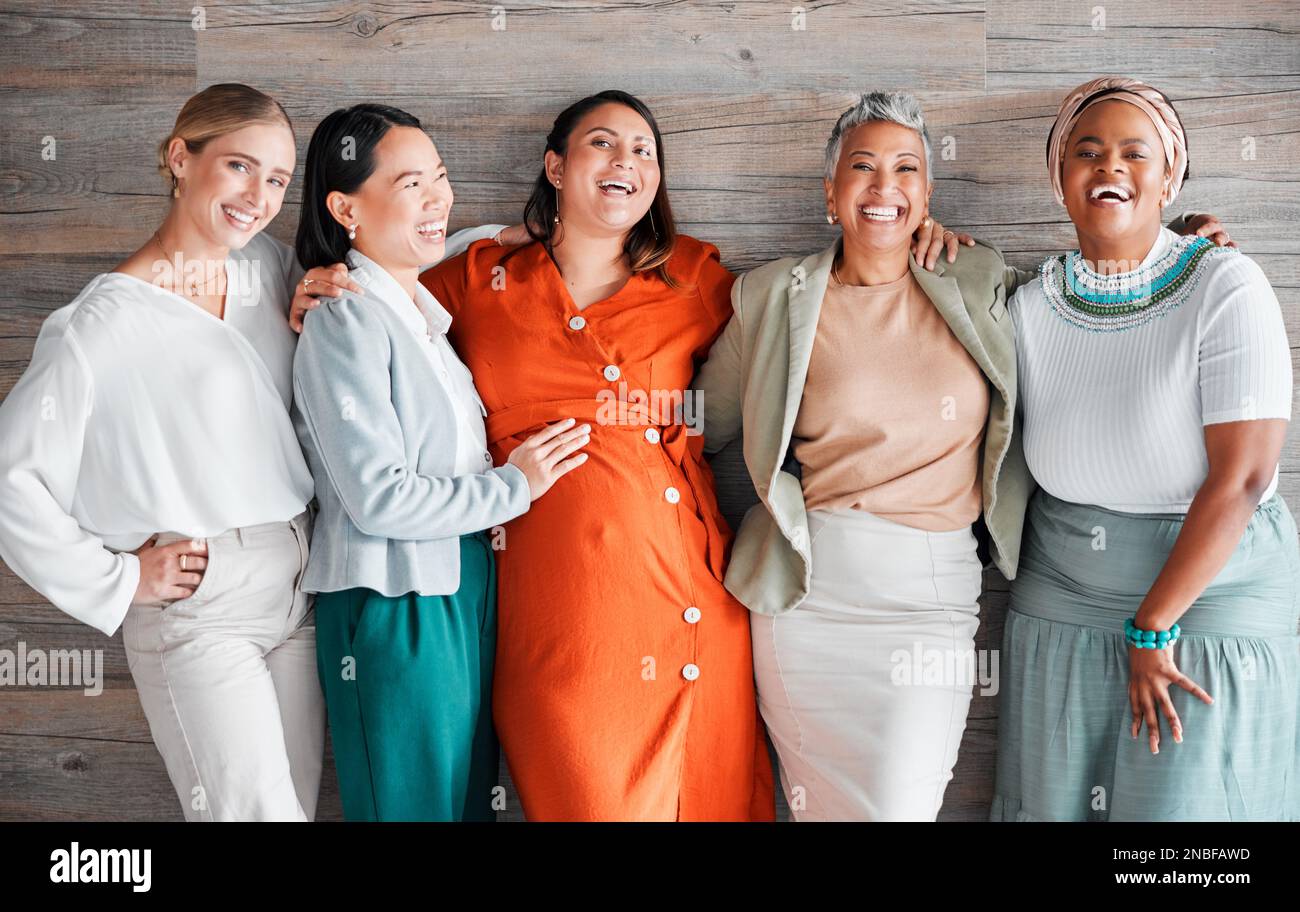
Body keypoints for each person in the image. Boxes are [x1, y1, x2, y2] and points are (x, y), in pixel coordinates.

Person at [0, 84, 324, 821]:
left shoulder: (267, 270)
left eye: (277, 179)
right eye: (240, 166)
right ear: (182, 157)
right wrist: (117, 579)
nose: (259, 195)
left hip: (297, 583)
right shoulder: (100, 324)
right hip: (199, 607)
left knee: (295, 809)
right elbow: (8, 479)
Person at [992, 76, 1296, 821]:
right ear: (1060, 180)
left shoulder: (1225, 285)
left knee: (1180, 841)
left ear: (1169, 178)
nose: (1110, 167)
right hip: (1062, 597)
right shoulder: (1029, 305)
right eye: (1086, 152)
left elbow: (1245, 477)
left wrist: (1153, 623)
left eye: (1136, 152)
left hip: (1205, 602)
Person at [290, 103, 590, 821]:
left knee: (463, 805)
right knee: (413, 807)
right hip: (395, 601)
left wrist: (500, 235)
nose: (438, 199)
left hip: (462, 589)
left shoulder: (413, 311)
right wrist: (516, 486)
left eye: (442, 178)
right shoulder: (342, 316)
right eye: (410, 184)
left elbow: (443, 242)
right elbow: (379, 499)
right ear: (344, 207)